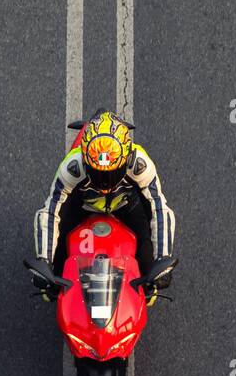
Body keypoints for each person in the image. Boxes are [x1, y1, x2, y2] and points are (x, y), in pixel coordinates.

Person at [32, 110, 176, 300]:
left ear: (126, 158)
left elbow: (159, 209)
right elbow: (50, 212)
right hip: (82, 206)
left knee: (146, 246)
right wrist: (44, 261)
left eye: (111, 173)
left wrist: (162, 260)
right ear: (85, 159)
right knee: (59, 252)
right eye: (98, 173)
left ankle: (146, 291)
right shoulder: (72, 167)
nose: (106, 183)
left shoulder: (140, 164)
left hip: (125, 204)